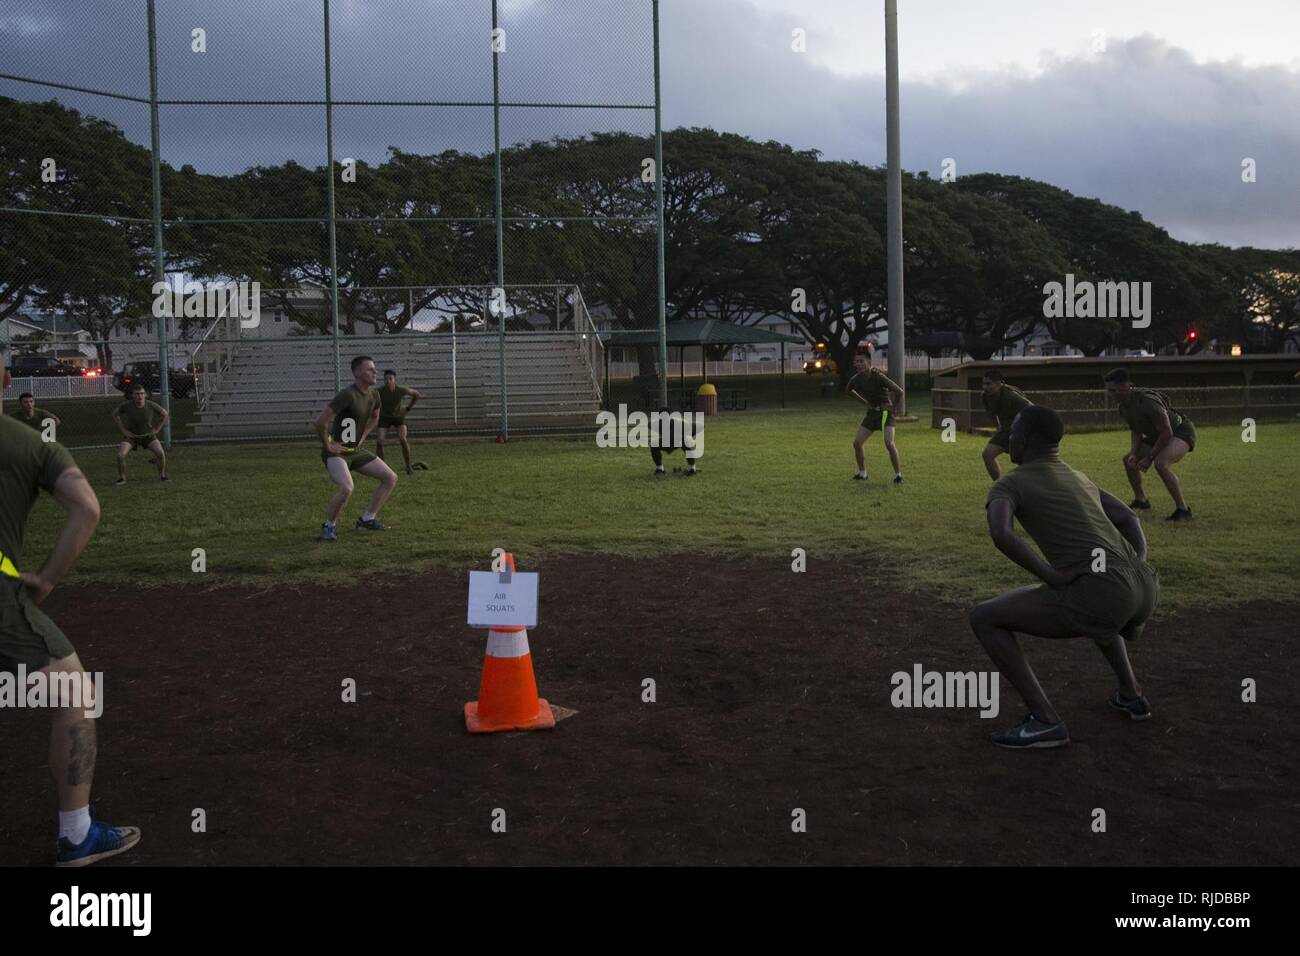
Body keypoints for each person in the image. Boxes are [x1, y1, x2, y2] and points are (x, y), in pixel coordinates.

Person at [0, 348, 141, 865]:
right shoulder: (28, 444)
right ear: (9, 380)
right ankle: (76, 835)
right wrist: (45, 580)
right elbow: (87, 508)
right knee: (74, 691)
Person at [970, 405, 1158, 749]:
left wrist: (1051, 575)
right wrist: (1138, 564)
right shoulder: (1078, 476)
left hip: (1104, 592)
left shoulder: (1010, 483)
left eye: (1012, 434)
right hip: (1144, 587)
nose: (1008, 439)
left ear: (1023, 441)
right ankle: (1131, 694)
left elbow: (1001, 533)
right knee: (1097, 609)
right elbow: (1130, 518)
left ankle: (1045, 721)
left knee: (984, 617)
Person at [314, 355, 398, 541]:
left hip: (355, 451)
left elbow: (375, 418)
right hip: (337, 454)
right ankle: (329, 526)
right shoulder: (347, 395)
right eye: (370, 369)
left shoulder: (374, 394)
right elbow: (320, 422)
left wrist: (363, 436)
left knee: (390, 478)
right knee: (347, 488)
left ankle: (367, 519)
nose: (375, 372)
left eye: (374, 369)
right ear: (357, 373)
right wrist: (328, 443)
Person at [1102, 368, 1196, 521]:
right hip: (1157, 435)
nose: (1110, 395)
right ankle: (1141, 501)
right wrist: (1134, 453)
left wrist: (1149, 458)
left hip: (1180, 430)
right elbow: (1136, 431)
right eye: (1109, 391)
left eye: (1113, 390)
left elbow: (1167, 432)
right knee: (1128, 460)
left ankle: (1183, 509)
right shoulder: (1124, 406)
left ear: (1127, 386)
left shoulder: (1147, 401)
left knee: (1161, 463)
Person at [846, 349, 904, 483]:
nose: (858, 364)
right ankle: (862, 473)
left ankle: (898, 475)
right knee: (857, 443)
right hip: (872, 414)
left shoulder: (878, 376)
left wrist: (892, 407)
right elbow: (848, 390)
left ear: (869, 362)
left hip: (885, 414)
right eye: (857, 361)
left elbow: (899, 391)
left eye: (861, 361)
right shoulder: (856, 378)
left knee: (889, 443)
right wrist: (865, 403)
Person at [979, 371, 1032, 480]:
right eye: (984, 384)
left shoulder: (1012, 396)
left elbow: (1032, 410)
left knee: (1023, 461)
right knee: (988, 455)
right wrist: (998, 427)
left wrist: (1023, 430)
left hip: (1022, 431)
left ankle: (1031, 486)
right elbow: (992, 414)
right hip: (1006, 430)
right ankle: (998, 484)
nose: (986, 387)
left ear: (1000, 384)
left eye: (989, 384)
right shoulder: (985, 396)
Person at [112, 384, 168, 484]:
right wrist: (124, 430)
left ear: (145, 395)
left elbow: (164, 414)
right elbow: (115, 414)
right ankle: (122, 478)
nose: (140, 396)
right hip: (131, 437)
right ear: (132, 395)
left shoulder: (150, 405)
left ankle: (162, 476)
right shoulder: (127, 406)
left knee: (160, 453)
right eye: (137, 394)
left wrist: (157, 429)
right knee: (120, 455)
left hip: (148, 436)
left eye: (142, 394)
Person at [374, 370, 422, 477]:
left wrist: (408, 408)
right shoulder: (378, 391)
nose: (388, 381)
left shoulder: (401, 390)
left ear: (395, 380)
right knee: (380, 441)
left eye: (390, 379)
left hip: (398, 418)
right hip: (384, 419)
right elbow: (368, 398)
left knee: (402, 439)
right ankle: (383, 469)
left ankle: (408, 466)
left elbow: (416, 394)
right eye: (386, 379)